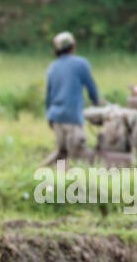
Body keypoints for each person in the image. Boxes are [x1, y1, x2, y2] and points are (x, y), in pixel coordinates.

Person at [41, 31, 101, 166]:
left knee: (61, 153)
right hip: (72, 117)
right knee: (79, 155)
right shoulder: (81, 64)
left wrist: (49, 116)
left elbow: (49, 95)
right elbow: (91, 87)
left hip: (55, 117)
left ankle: (42, 173)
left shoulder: (52, 67)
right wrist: (96, 101)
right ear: (73, 47)